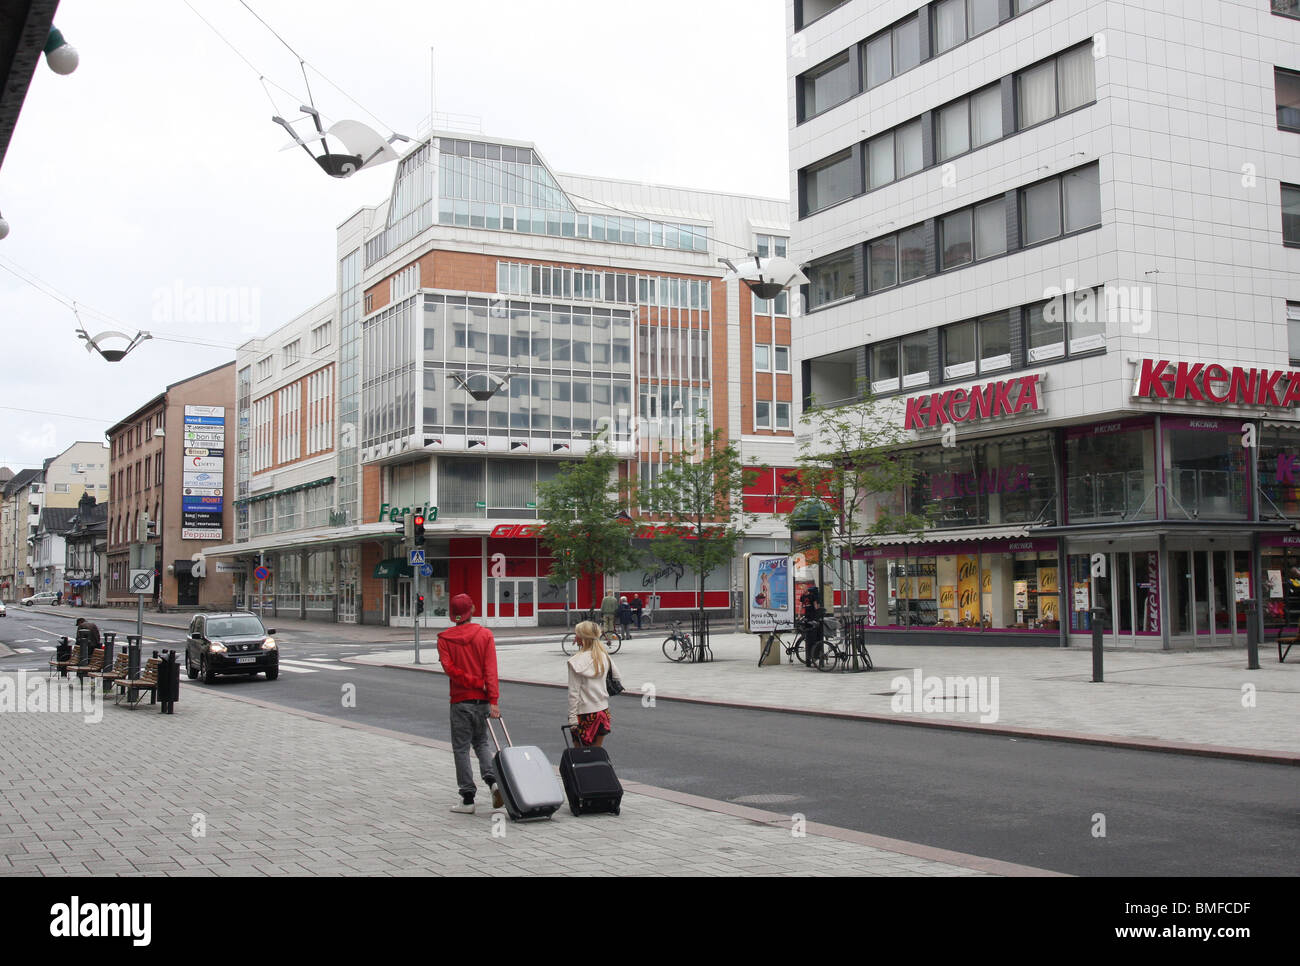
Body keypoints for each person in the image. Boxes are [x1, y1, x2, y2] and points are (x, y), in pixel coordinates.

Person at [436, 594, 503, 815]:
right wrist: (493, 699)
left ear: (452, 614)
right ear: (472, 610)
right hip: (482, 700)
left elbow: (449, 669)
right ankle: (493, 782)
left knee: (461, 748)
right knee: (482, 743)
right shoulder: (485, 635)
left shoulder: (444, 639)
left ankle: (467, 799)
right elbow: (491, 670)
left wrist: (472, 682)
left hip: (460, 700)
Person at [566, 620, 622, 748]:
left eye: (577, 635)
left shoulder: (575, 662)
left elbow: (574, 693)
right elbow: (617, 676)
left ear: (583, 638)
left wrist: (572, 718)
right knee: (596, 754)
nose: (575, 638)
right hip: (602, 712)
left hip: (583, 714)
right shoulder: (604, 656)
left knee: (580, 755)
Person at [800, 586, 823, 666]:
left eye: (804, 589)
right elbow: (816, 606)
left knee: (808, 640)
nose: (803, 590)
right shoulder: (811, 596)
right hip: (812, 619)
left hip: (808, 619)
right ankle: (814, 657)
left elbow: (802, 605)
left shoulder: (809, 596)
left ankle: (808, 659)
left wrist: (800, 615)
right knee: (814, 640)